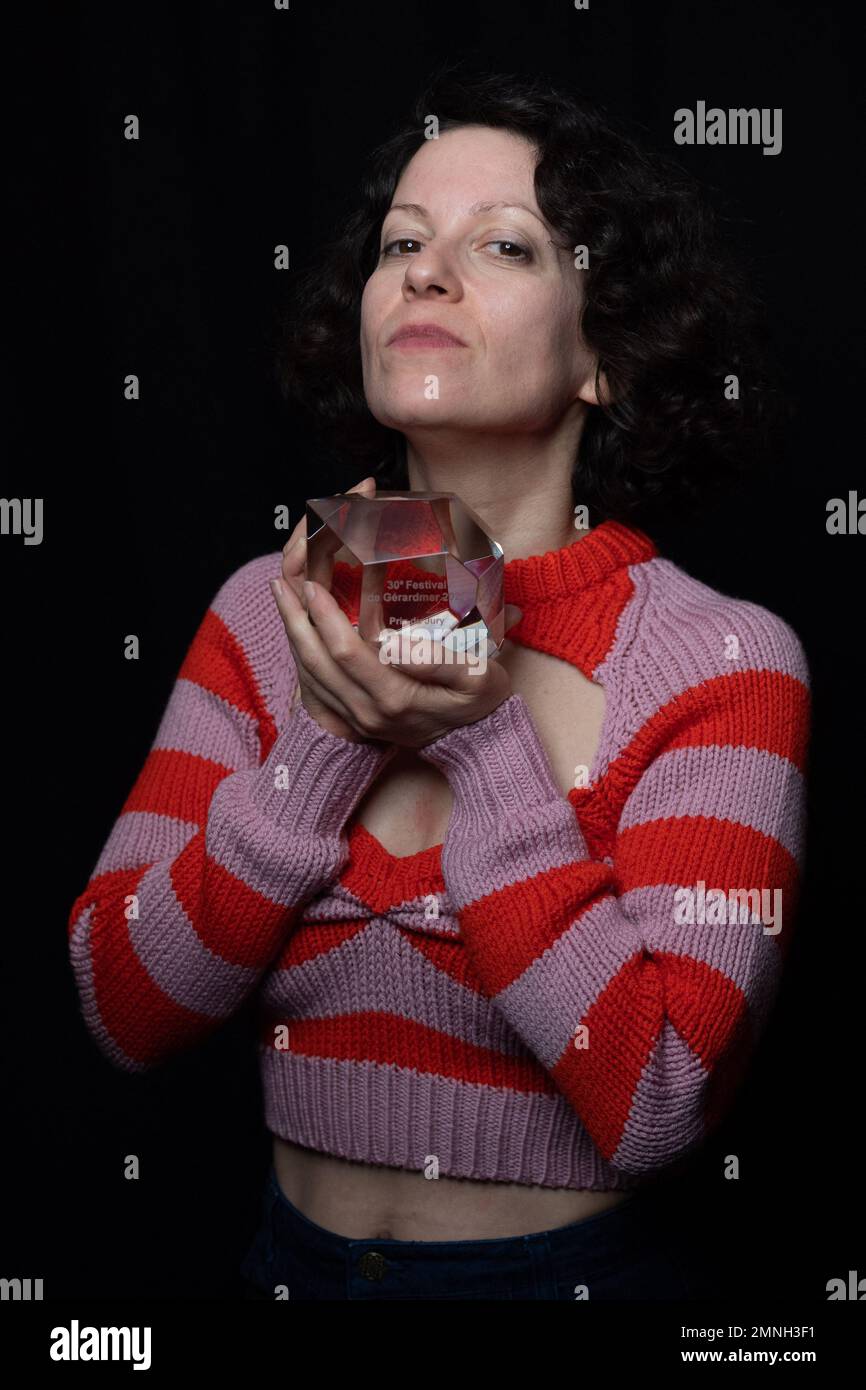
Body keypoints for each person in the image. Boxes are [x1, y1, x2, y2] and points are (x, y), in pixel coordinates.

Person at [67, 66, 810, 1301]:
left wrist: (480, 736)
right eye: (402, 242)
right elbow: (121, 1006)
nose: (424, 273)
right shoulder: (263, 609)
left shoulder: (721, 658)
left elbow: (660, 1102)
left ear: (604, 354)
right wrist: (319, 745)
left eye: (502, 245)